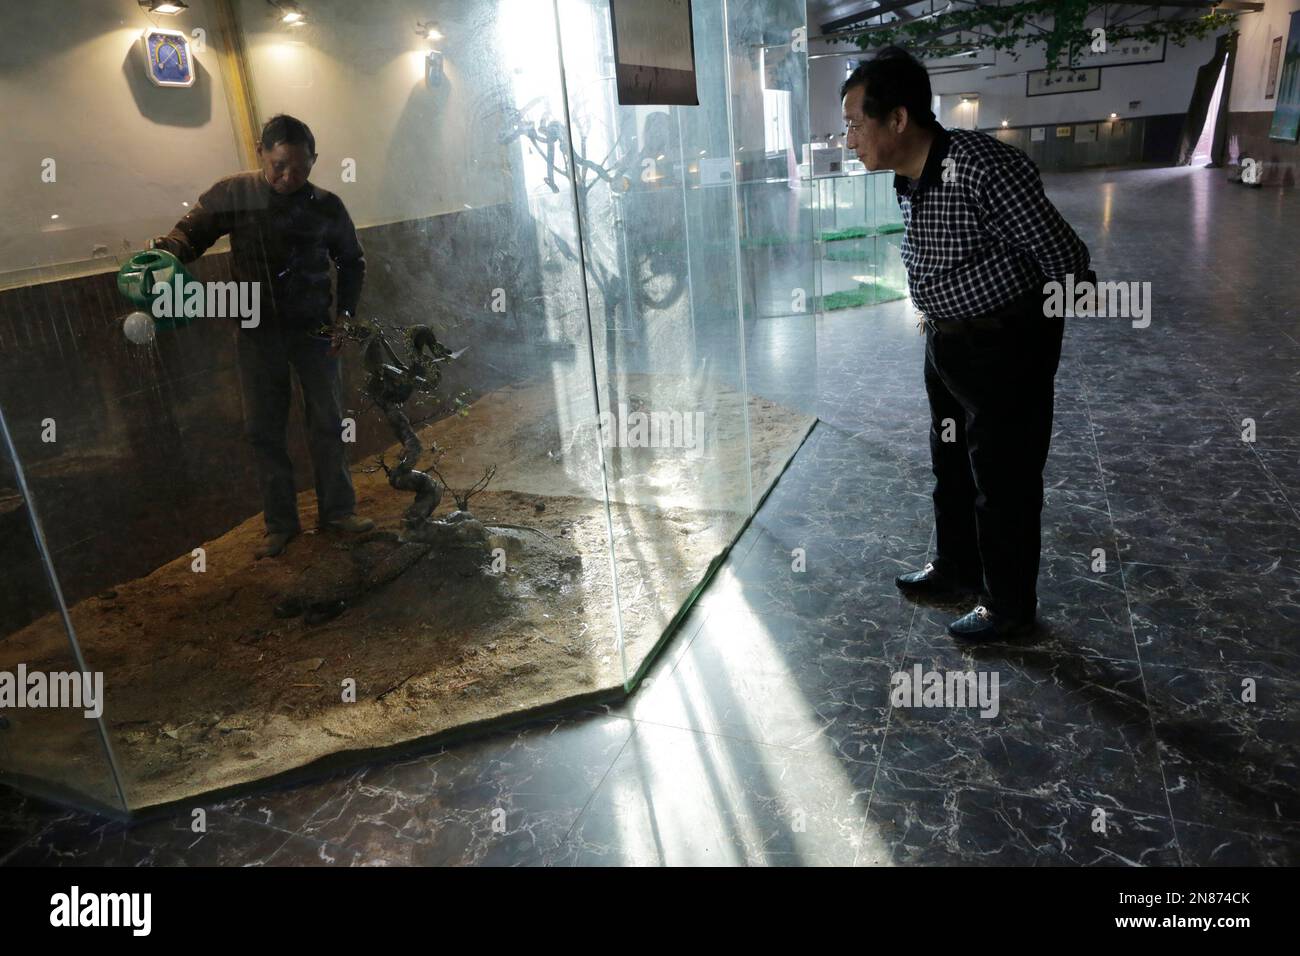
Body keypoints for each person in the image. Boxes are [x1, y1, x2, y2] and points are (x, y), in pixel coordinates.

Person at [840, 48, 1092, 640]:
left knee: (1003, 482)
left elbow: (1067, 262)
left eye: (854, 124)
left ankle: (1009, 608)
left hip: (1002, 351)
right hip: (947, 346)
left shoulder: (983, 168)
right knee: (951, 465)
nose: (848, 138)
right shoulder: (908, 177)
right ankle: (956, 570)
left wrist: (1026, 346)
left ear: (897, 119)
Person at [151, 114, 374, 559]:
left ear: (314, 160)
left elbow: (352, 261)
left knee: (327, 424)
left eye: (300, 167)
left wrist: (345, 317)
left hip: (315, 330)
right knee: (263, 430)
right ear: (261, 154)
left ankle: (338, 512)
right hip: (255, 331)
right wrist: (164, 250)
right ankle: (280, 525)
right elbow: (189, 236)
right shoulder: (232, 193)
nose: (288, 177)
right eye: (278, 166)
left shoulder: (327, 206)